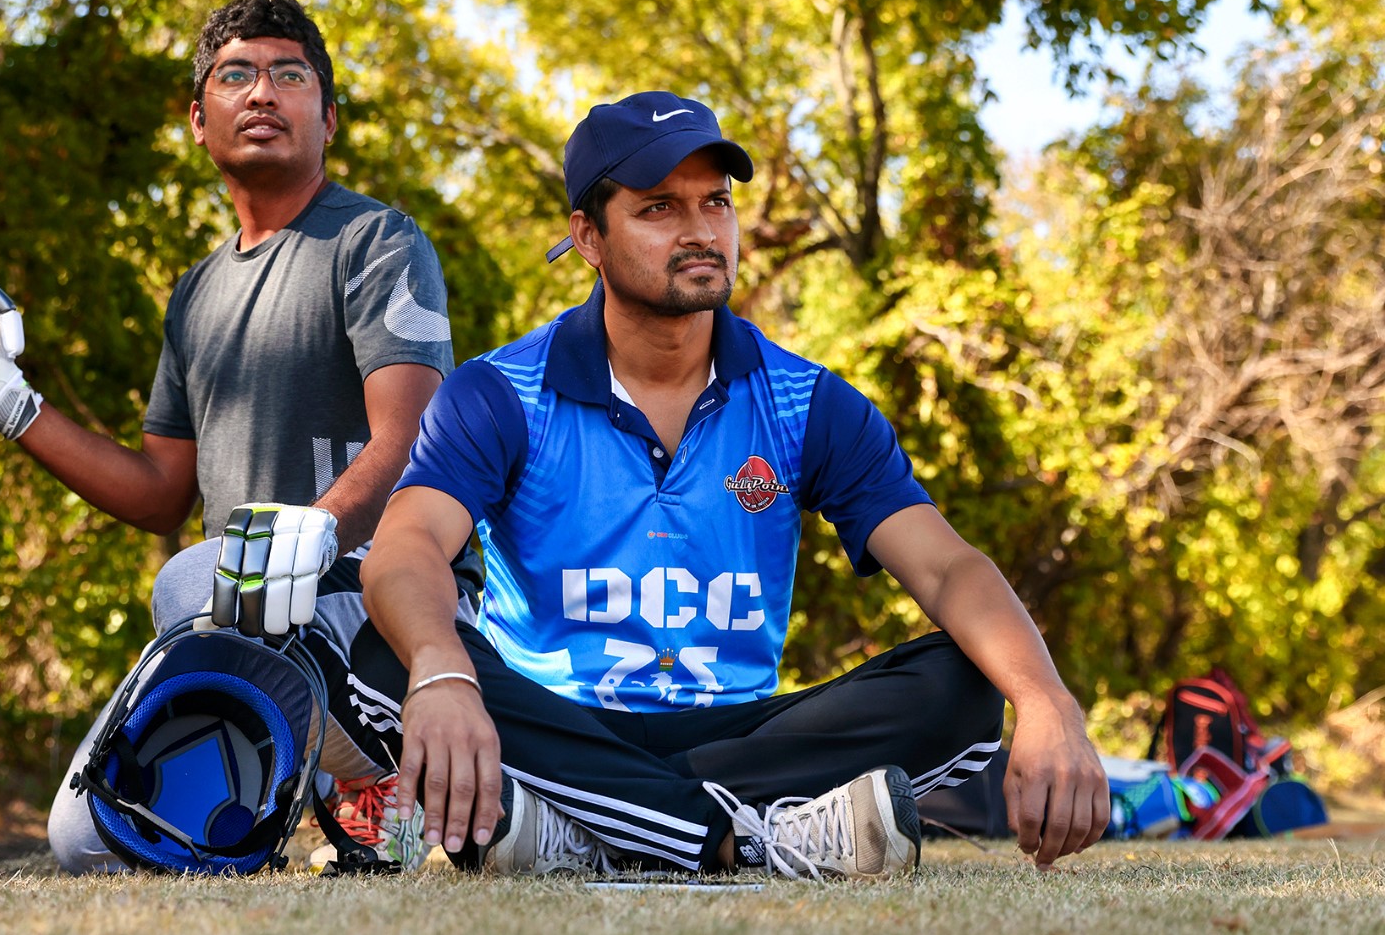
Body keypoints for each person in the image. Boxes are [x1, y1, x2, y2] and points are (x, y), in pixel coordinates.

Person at [345, 91, 1109, 879]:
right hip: (556, 721)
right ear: (588, 237)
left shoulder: (806, 402)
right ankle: (742, 838)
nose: (702, 231)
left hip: (736, 737)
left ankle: (584, 829)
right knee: (386, 656)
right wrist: (441, 668)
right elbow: (406, 546)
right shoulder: (501, 392)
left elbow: (948, 569)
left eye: (716, 202)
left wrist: (1048, 703)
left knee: (969, 683)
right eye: (659, 208)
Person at [0, 0, 463, 873]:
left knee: (194, 574)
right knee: (90, 838)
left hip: (377, 601)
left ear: (328, 117)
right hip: (242, 613)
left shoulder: (376, 241)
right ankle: (290, 808)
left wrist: (315, 532)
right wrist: (7, 402)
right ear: (199, 121)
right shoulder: (196, 294)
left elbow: (413, 433)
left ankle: (374, 779)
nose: (261, 92)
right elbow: (160, 492)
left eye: (289, 75)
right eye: (236, 76)